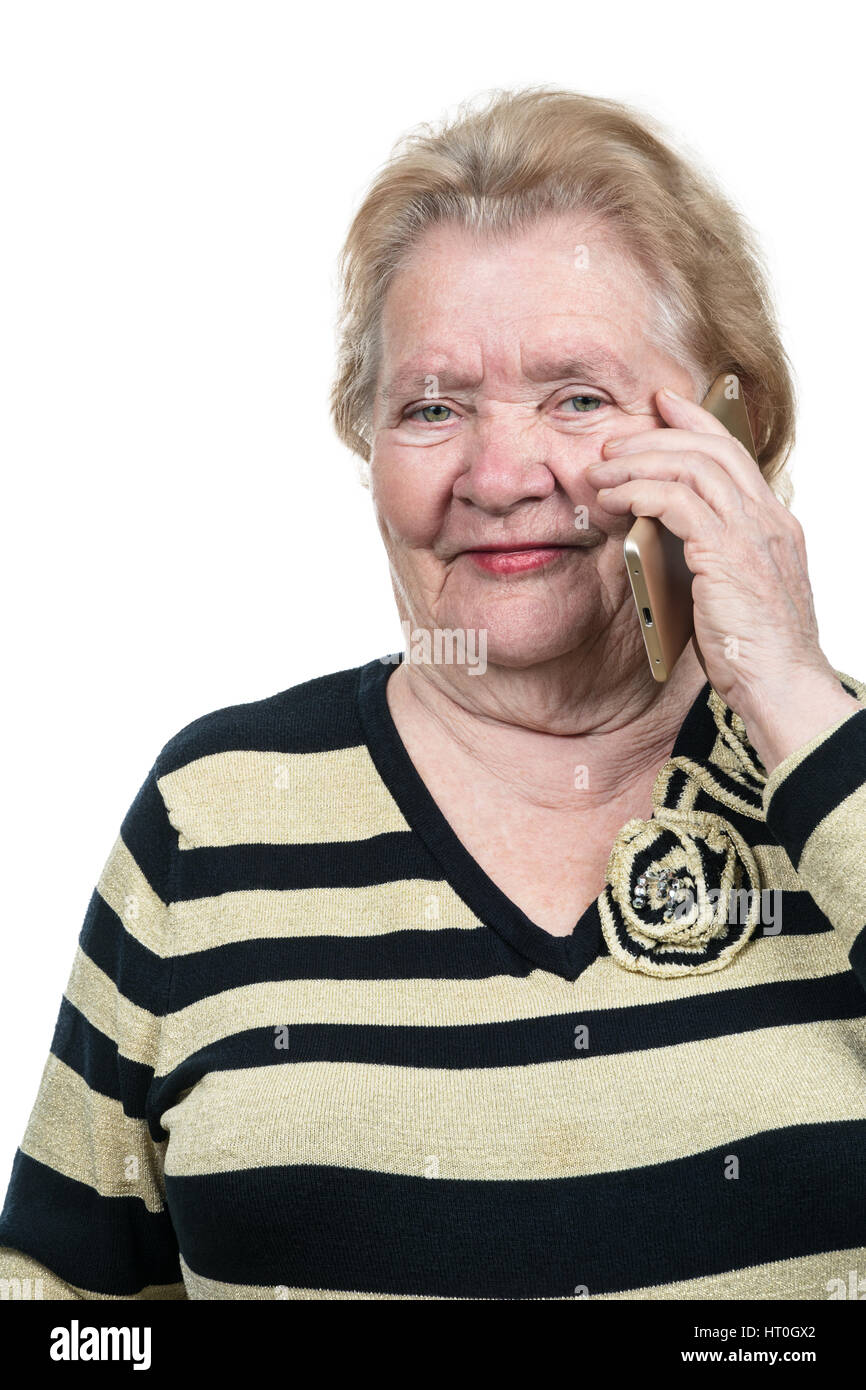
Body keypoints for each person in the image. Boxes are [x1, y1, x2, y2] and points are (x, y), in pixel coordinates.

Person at [1, 86, 864, 1301]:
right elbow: (58, 1305)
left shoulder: (843, 771)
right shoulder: (214, 814)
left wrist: (784, 687)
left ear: (729, 421)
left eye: (576, 396)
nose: (501, 475)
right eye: (431, 407)